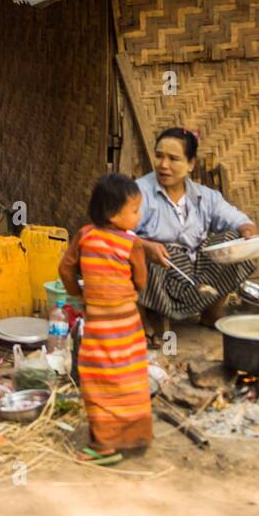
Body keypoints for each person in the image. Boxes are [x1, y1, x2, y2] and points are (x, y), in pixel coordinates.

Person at [59, 173, 152, 460]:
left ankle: (104, 442)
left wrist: (79, 294)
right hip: (127, 324)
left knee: (98, 379)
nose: (139, 217)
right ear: (113, 214)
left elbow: (65, 269)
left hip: (99, 325)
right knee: (130, 377)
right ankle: (132, 436)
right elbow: (141, 282)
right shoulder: (132, 244)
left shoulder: (84, 236)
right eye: (135, 211)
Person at [134, 127, 258, 341]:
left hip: (195, 270)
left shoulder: (205, 196)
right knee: (141, 251)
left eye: (173, 158)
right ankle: (141, 318)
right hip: (159, 274)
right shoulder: (139, 192)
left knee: (235, 242)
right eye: (159, 156)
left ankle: (210, 312)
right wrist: (144, 246)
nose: (163, 165)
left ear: (191, 164)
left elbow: (238, 220)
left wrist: (247, 229)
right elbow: (115, 234)